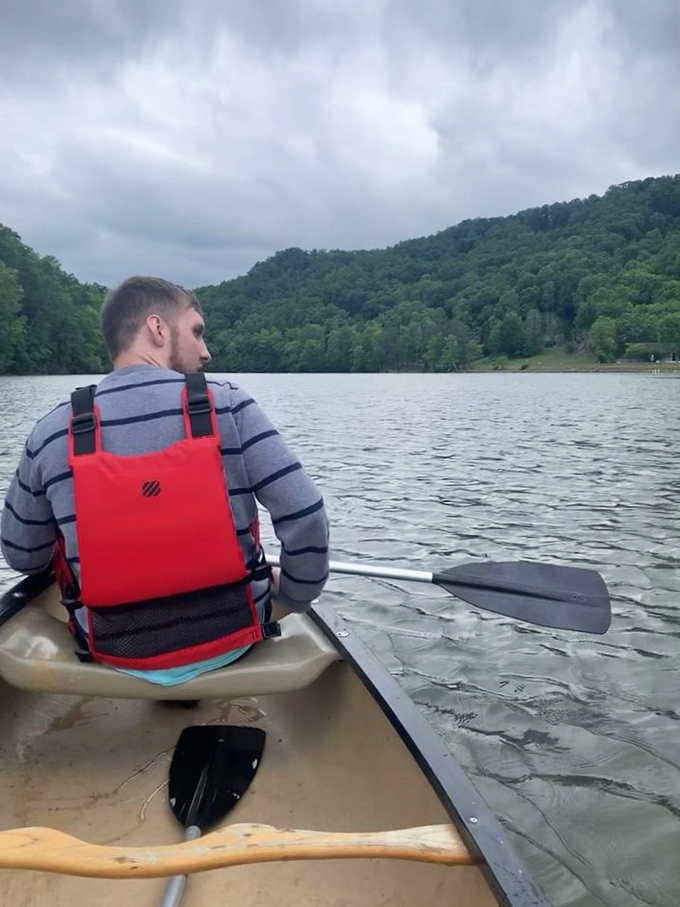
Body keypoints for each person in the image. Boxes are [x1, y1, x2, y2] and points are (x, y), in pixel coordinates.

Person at [0, 276, 330, 685]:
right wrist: (294, 596)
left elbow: (22, 557)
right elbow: (306, 513)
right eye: (196, 332)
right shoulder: (227, 404)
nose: (205, 352)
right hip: (234, 639)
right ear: (157, 329)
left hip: (113, 652)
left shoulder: (52, 431)